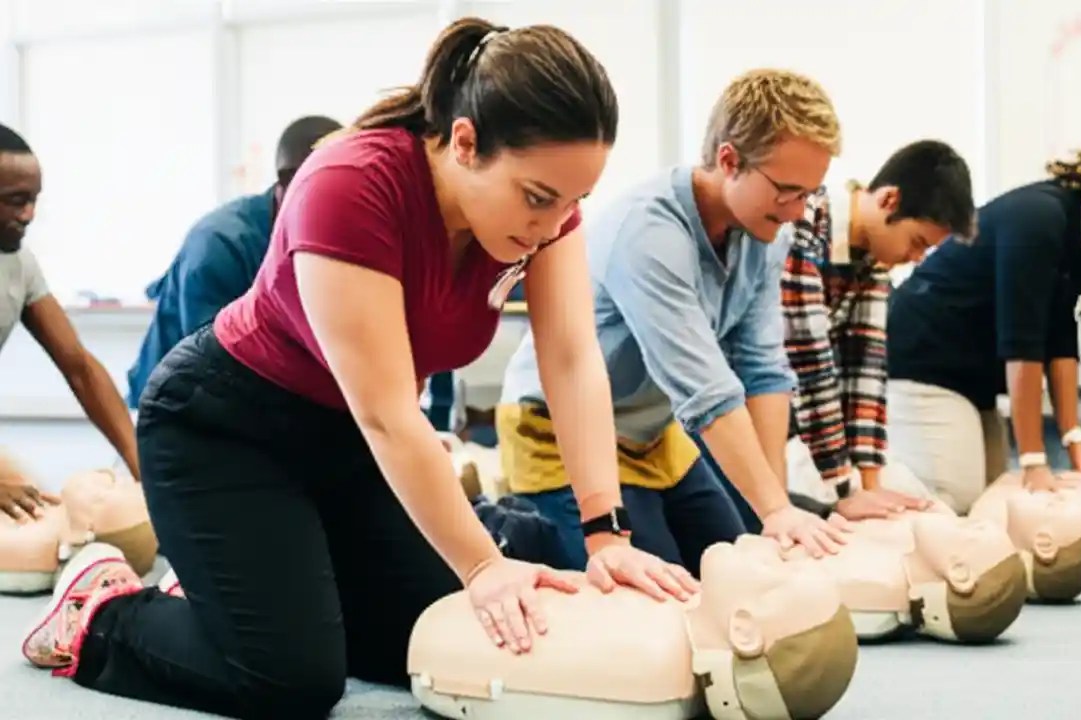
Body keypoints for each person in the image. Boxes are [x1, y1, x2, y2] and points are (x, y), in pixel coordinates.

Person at [21, 18, 695, 719]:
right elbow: (385, 412)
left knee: (435, 641)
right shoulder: (351, 184)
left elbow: (570, 357)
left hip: (345, 443)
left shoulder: (546, 219)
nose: (556, 223)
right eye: (538, 197)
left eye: (575, 200)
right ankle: (101, 612)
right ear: (464, 142)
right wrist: (485, 565)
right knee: (291, 682)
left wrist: (606, 535)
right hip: (225, 429)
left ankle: (234, 588)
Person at [497, 68, 849, 574]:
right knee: (666, 597)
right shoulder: (650, 232)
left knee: (746, 563)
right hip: (557, 433)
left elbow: (763, 369)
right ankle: (516, 526)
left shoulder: (768, 229)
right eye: (788, 191)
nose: (797, 211)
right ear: (729, 160)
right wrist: (772, 508)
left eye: (809, 195)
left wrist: (776, 512)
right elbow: (705, 390)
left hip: (656, 436)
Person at [885, 131, 1081, 513]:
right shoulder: (1039, 218)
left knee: (990, 494)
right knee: (958, 497)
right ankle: (831, 489)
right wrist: (1033, 460)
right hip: (922, 364)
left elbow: (1060, 343)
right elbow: (1022, 345)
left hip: (972, 380)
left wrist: (1074, 438)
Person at [783, 140, 976, 521]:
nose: (917, 258)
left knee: (897, 498)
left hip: (791, 401)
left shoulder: (872, 260)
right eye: (918, 242)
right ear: (890, 200)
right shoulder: (804, 226)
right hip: (737, 403)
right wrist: (844, 488)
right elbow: (809, 366)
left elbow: (865, 370)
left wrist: (871, 484)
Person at [125, 115, 342, 408]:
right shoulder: (219, 245)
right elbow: (217, 370)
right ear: (290, 181)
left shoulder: (329, 237)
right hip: (176, 414)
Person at [0, 123, 140, 497]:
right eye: (16, 200)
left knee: (41, 511)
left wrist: (141, 462)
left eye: (34, 199)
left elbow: (79, 367)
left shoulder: (20, 265)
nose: (29, 214)